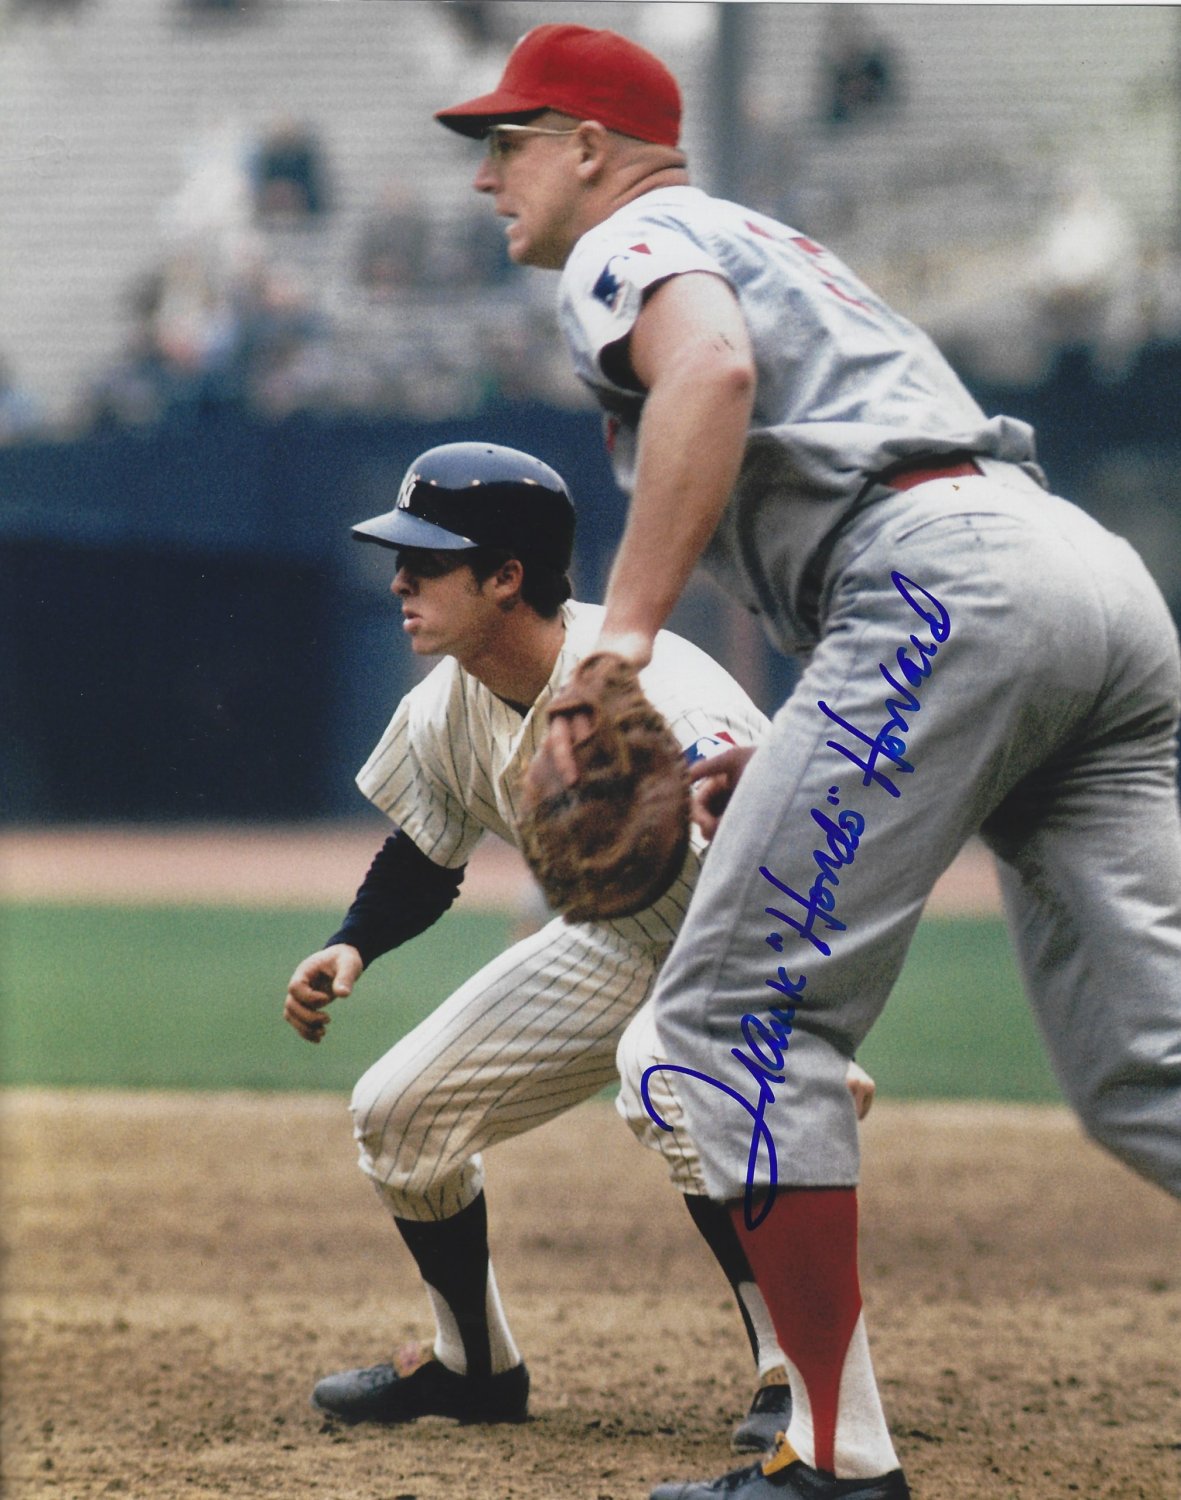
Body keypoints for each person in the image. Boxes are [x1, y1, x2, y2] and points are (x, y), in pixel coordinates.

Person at [434, 23, 1181, 1500]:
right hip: (1079, 585)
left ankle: (833, 1457)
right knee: (1145, 1065)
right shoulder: (749, 233)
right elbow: (786, 504)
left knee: (722, 1024)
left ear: (591, 145)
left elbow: (709, 375)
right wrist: (765, 765)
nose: (487, 179)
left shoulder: (631, 239)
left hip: (937, 587)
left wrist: (622, 641)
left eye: (507, 141)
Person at [283, 440, 875, 1452]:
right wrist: (353, 945)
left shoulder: (659, 697)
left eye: (426, 560)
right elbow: (428, 853)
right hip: (610, 942)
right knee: (397, 1114)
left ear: (504, 577)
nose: (399, 579)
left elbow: (804, 853)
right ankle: (475, 1366)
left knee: (669, 1082)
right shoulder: (445, 705)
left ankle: (791, 1372)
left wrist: (809, 1035)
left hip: (742, 947)